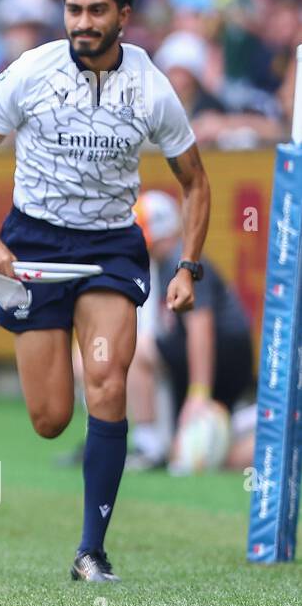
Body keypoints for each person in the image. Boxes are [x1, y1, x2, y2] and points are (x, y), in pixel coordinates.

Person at [0, 0, 210, 583]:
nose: (83, 23)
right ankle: (85, 518)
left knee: (107, 380)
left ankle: (91, 550)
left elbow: (196, 183)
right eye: (73, 10)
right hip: (33, 245)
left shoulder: (151, 87)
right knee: (50, 419)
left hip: (108, 250)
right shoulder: (31, 72)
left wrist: (188, 268)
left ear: (124, 15)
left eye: (96, 11)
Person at [128, 191, 256, 471]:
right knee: (197, 457)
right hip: (220, 357)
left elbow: (201, 328)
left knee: (138, 352)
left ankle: (149, 444)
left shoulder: (180, 262)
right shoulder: (164, 265)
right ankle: (242, 425)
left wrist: (199, 392)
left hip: (222, 355)